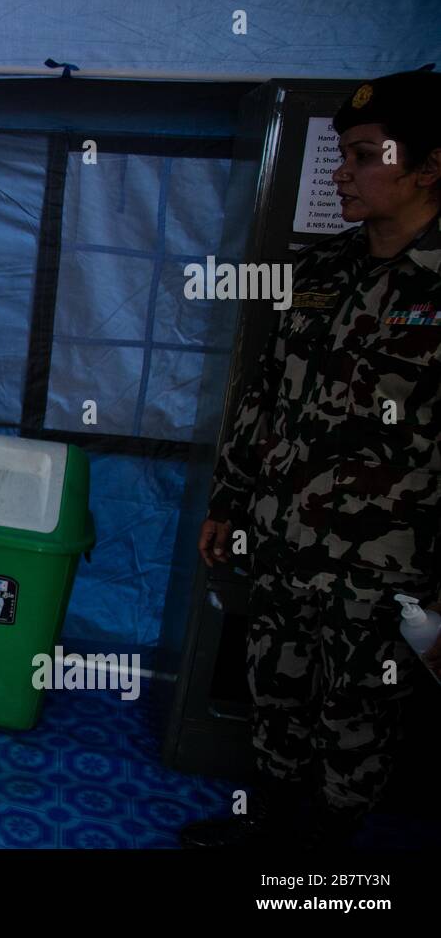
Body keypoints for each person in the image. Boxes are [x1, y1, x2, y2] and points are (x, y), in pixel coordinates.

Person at [182, 69, 441, 848]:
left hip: (384, 568)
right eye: (341, 155)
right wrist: (226, 504)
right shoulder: (322, 272)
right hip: (283, 542)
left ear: (429, 166)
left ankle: (322, 865)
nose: (343, 172)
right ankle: (263, 827)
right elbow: (263, 396)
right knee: (276, 691)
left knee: (356, 721)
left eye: (365, 155)